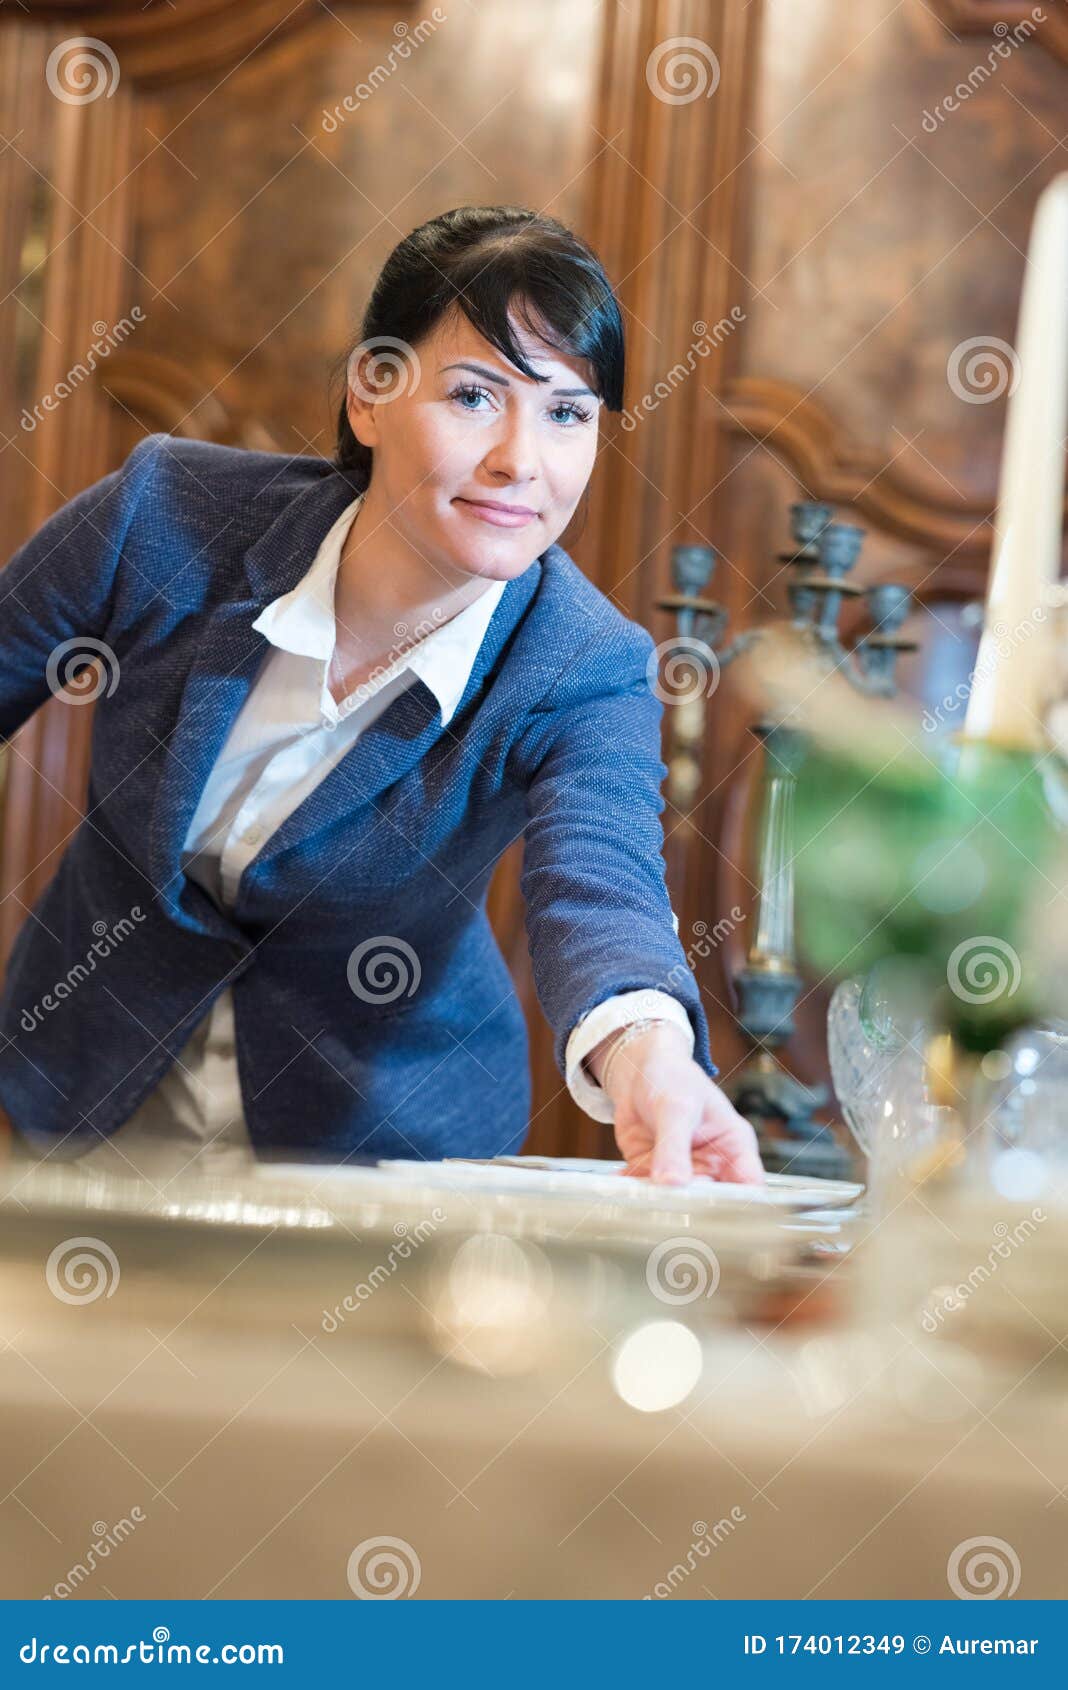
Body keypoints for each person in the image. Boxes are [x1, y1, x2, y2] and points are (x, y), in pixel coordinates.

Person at [0, 204, 763, 1189]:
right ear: (371, 393)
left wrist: (651, 1052)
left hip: (380, 1162)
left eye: (568, 411)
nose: (521, 462)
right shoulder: (162, 516)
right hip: (72, 1109)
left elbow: (601, 884)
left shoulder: (584, 664)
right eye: (477, 396)